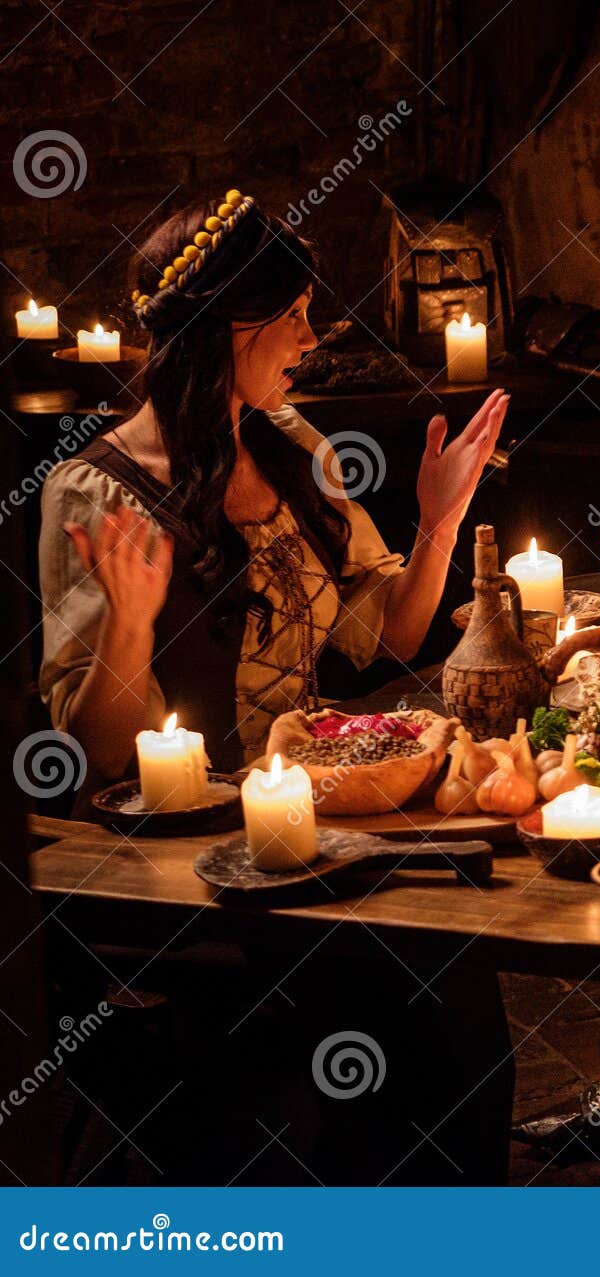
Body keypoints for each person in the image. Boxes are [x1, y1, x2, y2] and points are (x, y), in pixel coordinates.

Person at [37, 189, 513, 1183]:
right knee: (393, 1003)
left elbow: (389, 629)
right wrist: (127, 621)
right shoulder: (99, 490)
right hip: (182, 858)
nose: (310, 332)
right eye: (290, 312)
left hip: (315, 816)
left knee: (461, 969)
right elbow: (88, 755)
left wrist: (436, 521)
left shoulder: (291, 444)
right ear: (223, 326)